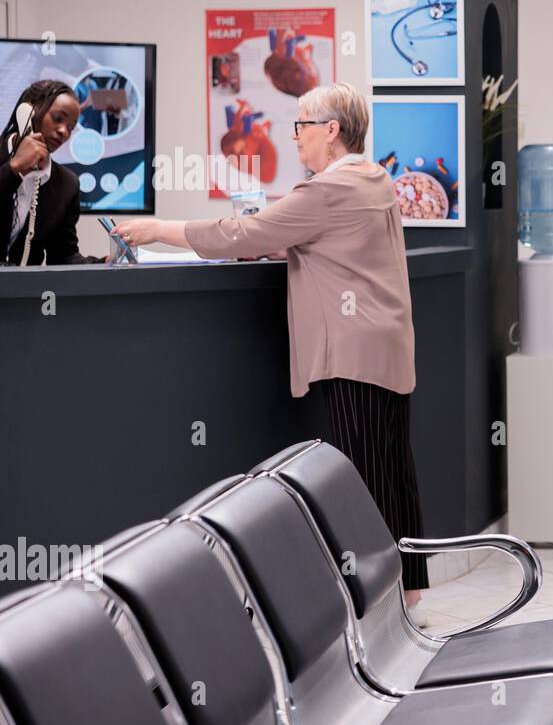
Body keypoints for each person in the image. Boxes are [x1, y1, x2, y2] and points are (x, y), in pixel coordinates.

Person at [113, 83, 432, 618]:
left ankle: (380, 602)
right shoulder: (372, 178)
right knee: (391, 467)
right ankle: (410, 589)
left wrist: (159, 230)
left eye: (303, 125)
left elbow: (245, 233)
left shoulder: (327, 190)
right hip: (384, 342)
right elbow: (325, 239)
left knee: (364, 476)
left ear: (332, 130)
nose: (296, 137)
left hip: (352, 349)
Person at [0, 80, 105, 266]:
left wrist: (106, 263)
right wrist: (14, 167)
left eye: (71, 127)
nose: (64, 132)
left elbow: (64, 256)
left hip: (23, 285)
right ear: (28, 112)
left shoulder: (67, 184)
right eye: (57, 118)